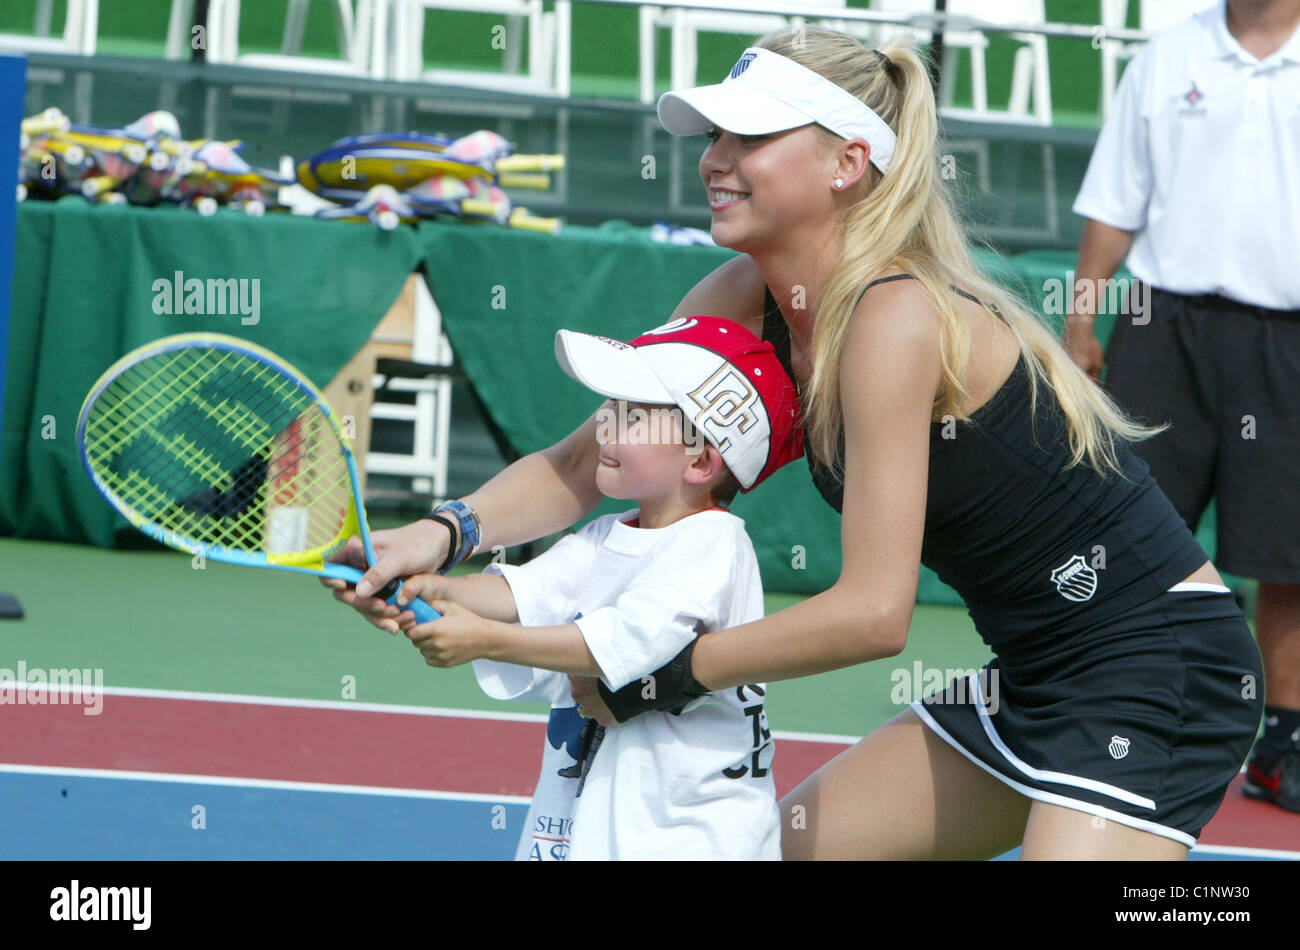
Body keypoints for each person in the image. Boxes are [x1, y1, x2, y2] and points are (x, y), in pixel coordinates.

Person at [328, 26, 1263, 859]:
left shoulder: (896, 320)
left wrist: (663, 680)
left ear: (847, 163)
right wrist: (442, 539)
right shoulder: (740, 300)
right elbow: (587, 462)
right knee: (797, 852)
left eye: (751, 138)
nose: (715, 160)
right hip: (1033, 679)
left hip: (1164, 670)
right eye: (714, 137)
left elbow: (871, 615)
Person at [387, 316, 803, 860]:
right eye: (610, 407)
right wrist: (419, 586)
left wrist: (483, 639)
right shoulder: (608, 533)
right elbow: (524, 597)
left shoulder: (712, 545)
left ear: (700, 460)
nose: (605, 424)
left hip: (686, 838)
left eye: (633, 416)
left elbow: (614, 644)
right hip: (600, 817)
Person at [1067, 0, 1300, 813]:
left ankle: (1284, 744)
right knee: (1131, 534)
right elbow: (1113, 201)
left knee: (1289, 555)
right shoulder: (1167, 56)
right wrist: (1080, 321)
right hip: (1159, 326)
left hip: (1291, 339)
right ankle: (1119, 712)